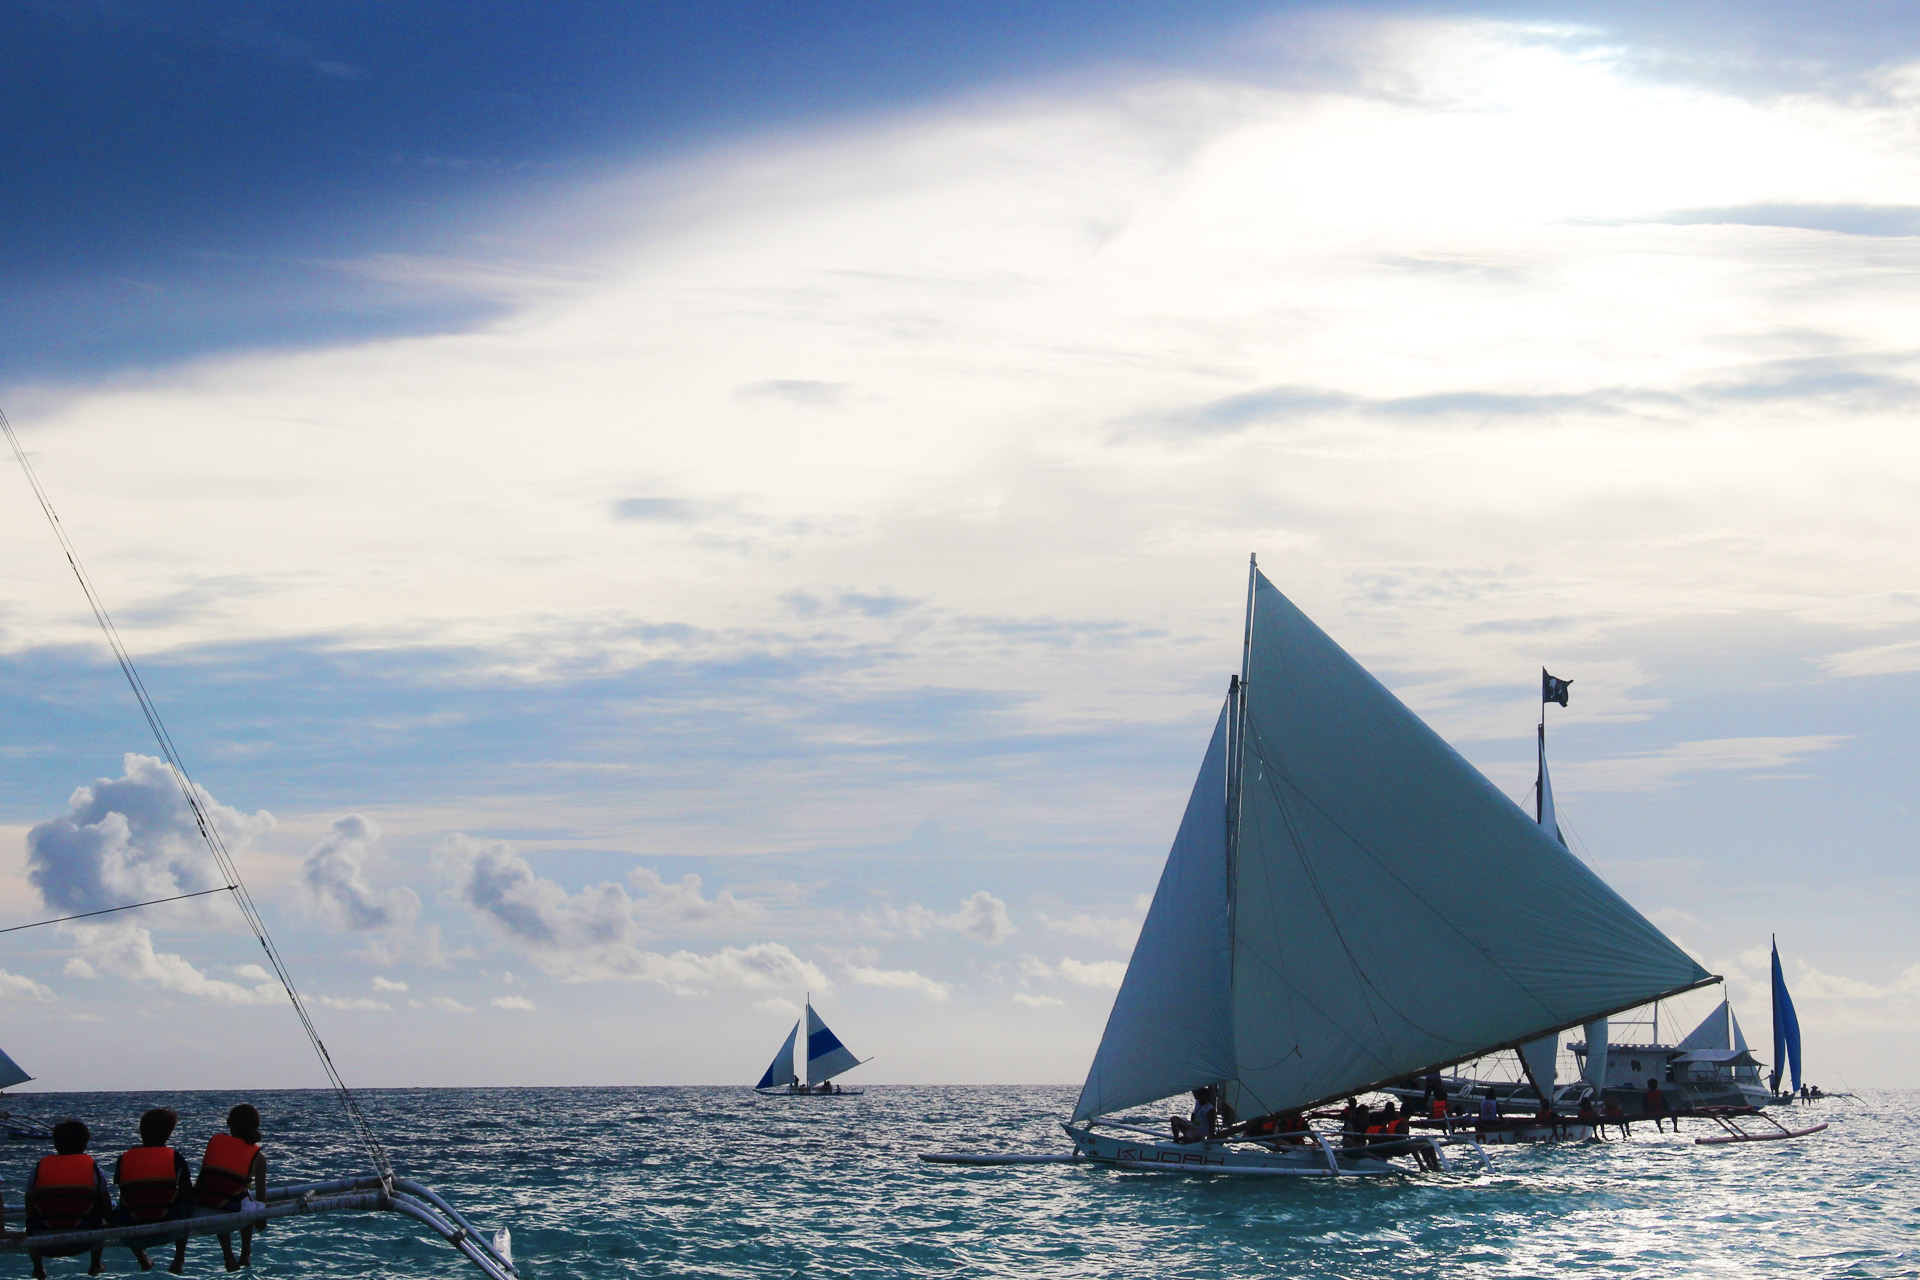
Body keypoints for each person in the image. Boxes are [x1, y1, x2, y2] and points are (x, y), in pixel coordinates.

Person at [25, 1118, 111, 1279]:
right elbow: (106, 1207)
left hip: (42, 1243)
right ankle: (95, 1263)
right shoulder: (94, 1168)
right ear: (85, 1144)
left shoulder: (38, 1168)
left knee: (31, 1220)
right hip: (85, 1240)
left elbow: (29, 1209)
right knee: (100, 1213)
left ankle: (38, 1267)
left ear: (56, 1144)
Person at [115, 1107, 194, 1274]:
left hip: (132, 1231)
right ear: (169, 1134)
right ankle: (179, 1259)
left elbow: (123, 1189)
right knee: (187, 1205)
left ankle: (142, 1257)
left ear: (141, 1131)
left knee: (119, 1205)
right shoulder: (175, 1157)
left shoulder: (124, 1158)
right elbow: (187, 1192)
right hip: (168, 1226)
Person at [193, 1105, 268, 1273]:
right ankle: (245, 1252)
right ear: (256, 1126)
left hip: (199, 1212)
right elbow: (262, 1195)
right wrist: (262, 1217)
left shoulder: (215, 1142)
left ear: (228, 1123)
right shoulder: (258, 1157)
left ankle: (228, 1255)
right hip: (230, 1216)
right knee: (247, 1200)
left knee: (222, 1196)